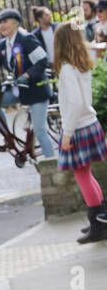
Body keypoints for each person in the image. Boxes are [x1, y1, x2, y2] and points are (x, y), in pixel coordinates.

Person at [0, 7, 56, 158]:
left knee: (40, 131)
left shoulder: (26, 39)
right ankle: (8, 137)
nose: (1, 25)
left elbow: (42, 61)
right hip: (17, 90)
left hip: (36, 92)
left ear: (15, 23)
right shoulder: (3, 44)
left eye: (5, 21)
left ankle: (53, 167)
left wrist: (27, 75)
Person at [53, 21, 107, 243]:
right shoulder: (80, 64)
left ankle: (98, 225)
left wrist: (67, 134)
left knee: (82, 176)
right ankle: (99, 220)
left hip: (78, 129)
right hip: (89, 124)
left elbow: (74, 103)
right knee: (86, 174)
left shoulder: (66, 68)